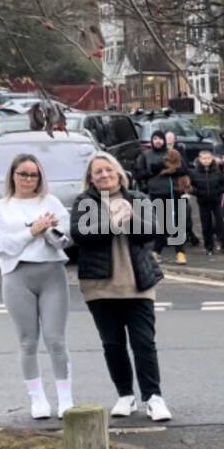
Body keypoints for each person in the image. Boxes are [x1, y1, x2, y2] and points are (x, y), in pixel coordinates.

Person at [70, 152, 171, 422]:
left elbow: (150, 232)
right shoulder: (84, 202)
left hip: (138, 283)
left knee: (144, 343)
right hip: (100, 286)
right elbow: (81, 235)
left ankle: (153, 397)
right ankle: (125, 395)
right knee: (113, 344)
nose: (104, 175)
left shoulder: (137, 199)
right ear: (90, 178)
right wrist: (113, 223)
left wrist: (129, 217)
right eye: (98, 172)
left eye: (108, 170)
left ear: (119, 173)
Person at [0, 153, 74, 419]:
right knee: (27, 341)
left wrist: (49, 230)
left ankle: (65, 398)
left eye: (34, 175)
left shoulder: (52, 202)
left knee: (56, 339)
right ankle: (37, 399)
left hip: (52, 274)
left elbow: (64, 241)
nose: (28, 179)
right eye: (23, 174)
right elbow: (0, 246)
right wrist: (31, 231)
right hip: (16, 276)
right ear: (13, 175)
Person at [134, 133, 189, 264]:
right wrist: (152, 171)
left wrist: (172, 170)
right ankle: (156, 251)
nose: (158, 141)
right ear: (152, 141)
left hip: (172, 191)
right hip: (155, 192)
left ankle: (180, 253)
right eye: (155, 139)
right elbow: (138, 174)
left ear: (164, 141)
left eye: (160, 139)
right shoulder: (145, 155)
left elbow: (185, 169)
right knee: (160, 223)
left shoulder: (173, 153)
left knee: (176, 222)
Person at [190, 150, 224, 256]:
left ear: (212, 159)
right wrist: (197, 192)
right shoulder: (194, 173)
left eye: (208, 158)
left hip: (215, 201)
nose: (206, 161)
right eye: (203, 158)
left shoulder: (217, 171)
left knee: (220, 224)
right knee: (206, 225)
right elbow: (190, 187)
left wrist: (218, 192)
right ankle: (209, 247)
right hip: (203, 202)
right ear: (199, 159)